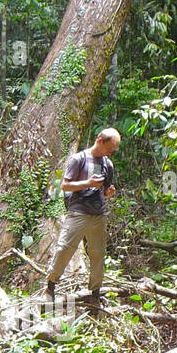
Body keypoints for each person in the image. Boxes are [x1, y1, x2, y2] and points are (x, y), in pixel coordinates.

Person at [44, 127, 120, 308]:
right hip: (78, 211)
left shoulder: (108, 164)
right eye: (110, 147)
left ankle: (95, 293)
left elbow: (105, 190)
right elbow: (65, 185)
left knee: (98, 254)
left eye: (114, 149)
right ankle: (50, 287)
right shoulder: (79, 159)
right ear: (100, 140)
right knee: (64, 249)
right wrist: (88, 183)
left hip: (98, 214)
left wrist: (109, 193)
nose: (111, 152)